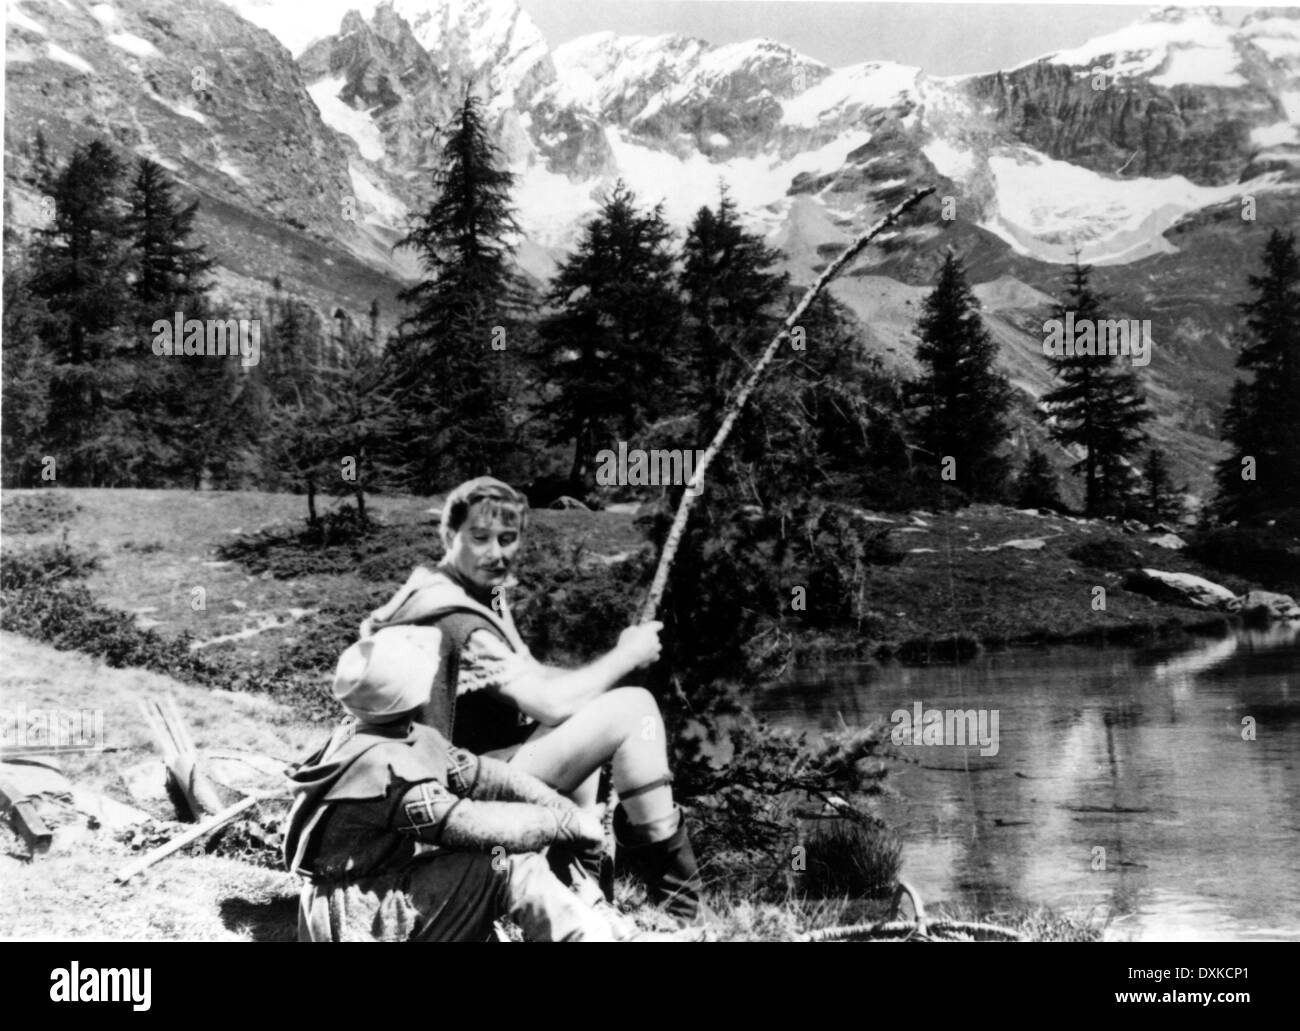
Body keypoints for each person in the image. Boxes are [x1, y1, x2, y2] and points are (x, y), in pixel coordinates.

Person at [334, 476, 706, 920]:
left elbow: (531, 675)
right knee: (634, 709)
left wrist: (588, 688)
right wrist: (627, 655)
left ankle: (578, 882)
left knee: (585, 713)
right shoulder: (455, 617)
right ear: (450, 536)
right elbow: (547, 703)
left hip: (426, 779)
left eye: (507, 539)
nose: (496, 552)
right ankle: (679, 905)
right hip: (445, 800)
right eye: (480, 537)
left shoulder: (442, 588)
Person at [284, 624, 687, 941]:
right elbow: (471, 824)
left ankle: (595, 928)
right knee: (506, 862)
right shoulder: (388, 773)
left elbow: (480, 775)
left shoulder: (382, 733)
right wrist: (564, 824)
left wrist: (557, 806)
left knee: (504, 859)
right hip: (362, 916)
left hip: (378, 885)